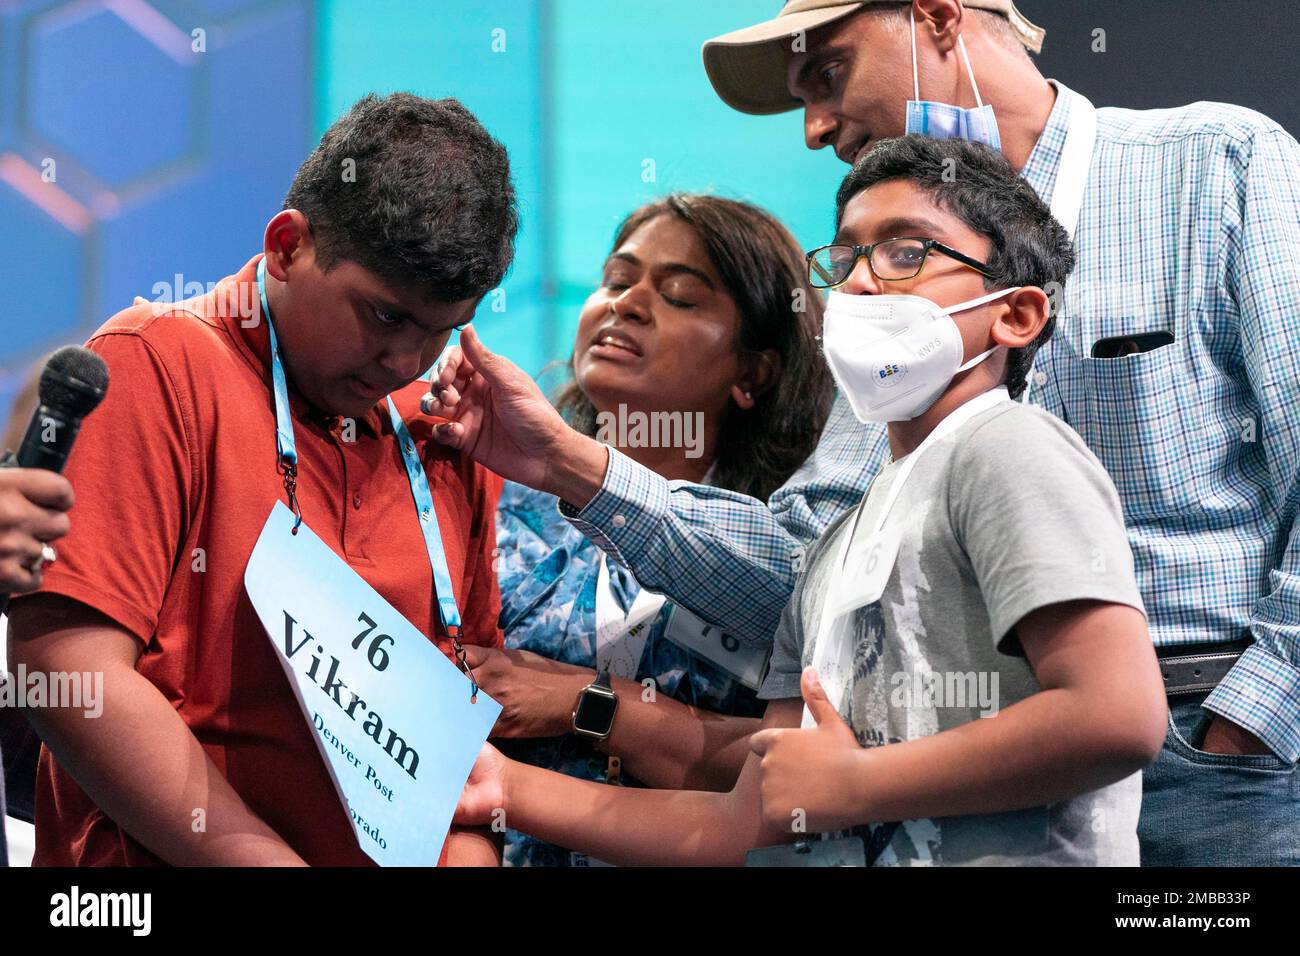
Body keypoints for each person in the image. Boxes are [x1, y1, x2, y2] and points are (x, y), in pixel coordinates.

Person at [430, 0, 1300, 865]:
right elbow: (799, 593)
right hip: (935, 754)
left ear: (938, 18)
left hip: (1206, 733)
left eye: (829, 73)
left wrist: (1255, 717)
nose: (814, 129)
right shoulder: (892, 344)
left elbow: (1114, 716)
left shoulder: (1216, 164)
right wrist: (570, 464)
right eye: (845, 260)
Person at [453, 136, 1168, 866]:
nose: (859, 284)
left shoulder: (1009, 446)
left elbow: (1117, 715)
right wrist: (501, 784)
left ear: (1015, 316)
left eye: (904, 252)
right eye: (846, 257)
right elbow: (745, 817)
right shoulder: (833, 547)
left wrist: (860, 782)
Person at [6, 92, 517, 866]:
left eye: (440, 331)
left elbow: (464, 750)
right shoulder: (156, 365)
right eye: (384, 318)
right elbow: (66, 672)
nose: (406, 362)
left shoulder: (445, 427)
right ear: (286, 247)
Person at [475, 194, 832, 865]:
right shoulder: (498, 503)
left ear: (753, 373)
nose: (627, 303)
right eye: (615, 279)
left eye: (679, 296)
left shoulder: (782, 548)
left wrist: (590, 705)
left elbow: (803, 782)